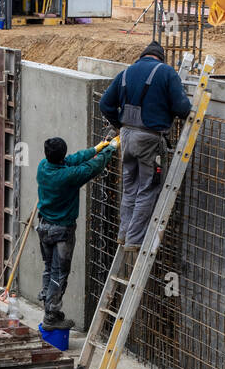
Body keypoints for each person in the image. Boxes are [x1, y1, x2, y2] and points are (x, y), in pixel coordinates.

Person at [98, 41, 192, 253]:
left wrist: (118, 125)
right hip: (149, 139)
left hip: (127, 137)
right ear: (161, 58)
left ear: (143, 56)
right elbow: (183, 108)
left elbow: (105, 104)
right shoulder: (166, 73)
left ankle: (124, 233)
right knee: (148, 187)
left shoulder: (125, 73)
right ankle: (135, 239)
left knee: (130, 187)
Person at [34, 135, 115, 330]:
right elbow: (92, 168)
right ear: (61, 155)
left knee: (48, 268)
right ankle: (51, 316)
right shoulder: (67, 176)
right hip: (61, 230)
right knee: (59, 274)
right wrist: (110, 149)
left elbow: (72, 160)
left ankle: (48, 303)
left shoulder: (43, 166)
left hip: (44, 227)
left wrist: (96, 148)